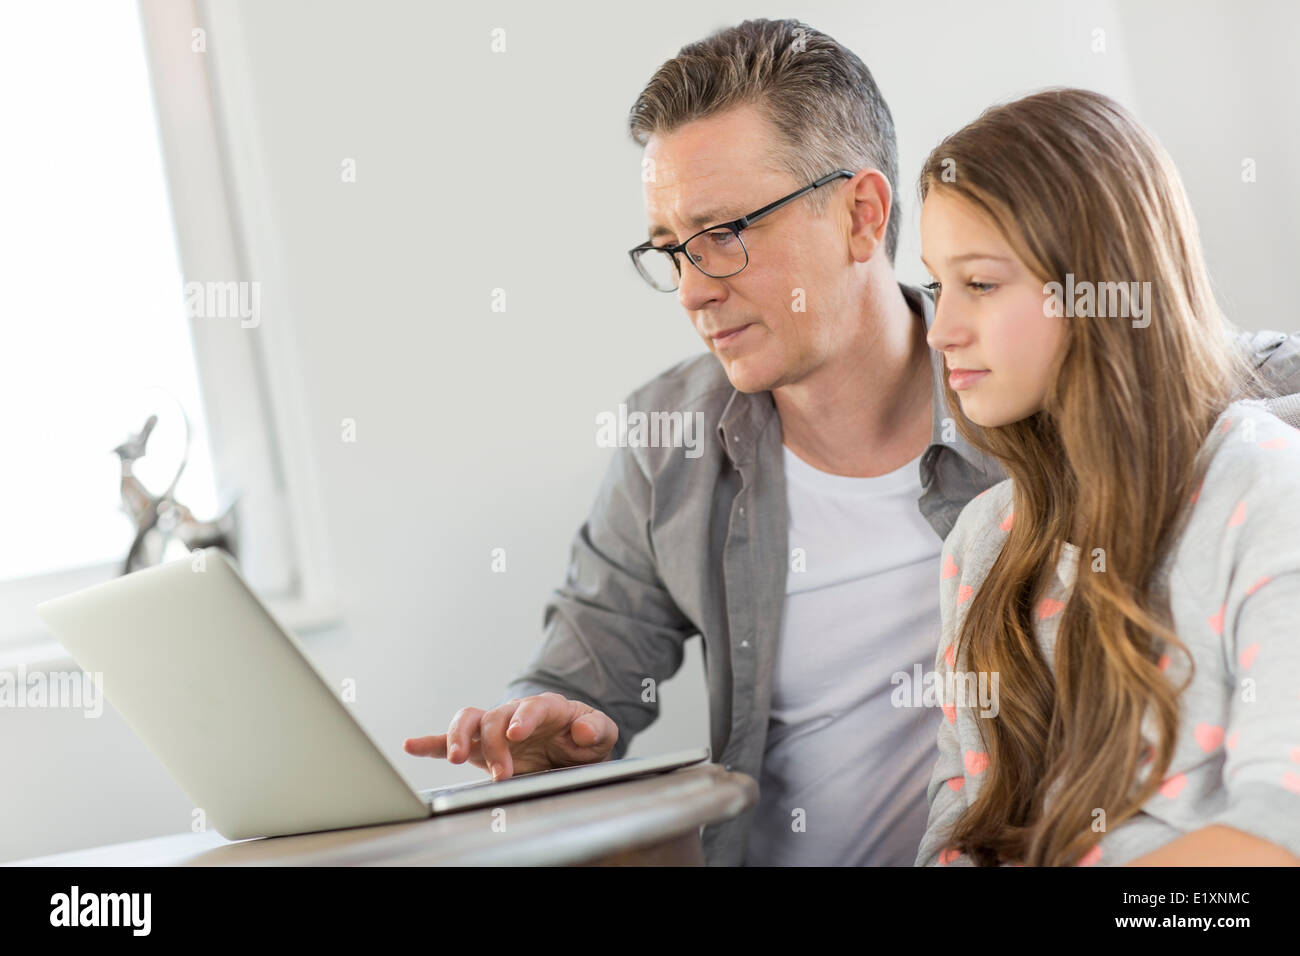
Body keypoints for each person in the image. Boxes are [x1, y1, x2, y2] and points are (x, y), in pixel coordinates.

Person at [404, 19, 1300, 866]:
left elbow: (1179, 365)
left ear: (862, 217)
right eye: (671, 249)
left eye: (721, 235)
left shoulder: (1101, 422)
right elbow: (577, 680)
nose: (693, 291)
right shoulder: (967, 538)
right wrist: (537, 732)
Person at [914, 87, 1300, 866]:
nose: (941, 328)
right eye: (934, 285)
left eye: (980, 284)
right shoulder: (981, 543)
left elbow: (1279, 836)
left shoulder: (1264, 491)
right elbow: (956, 829)